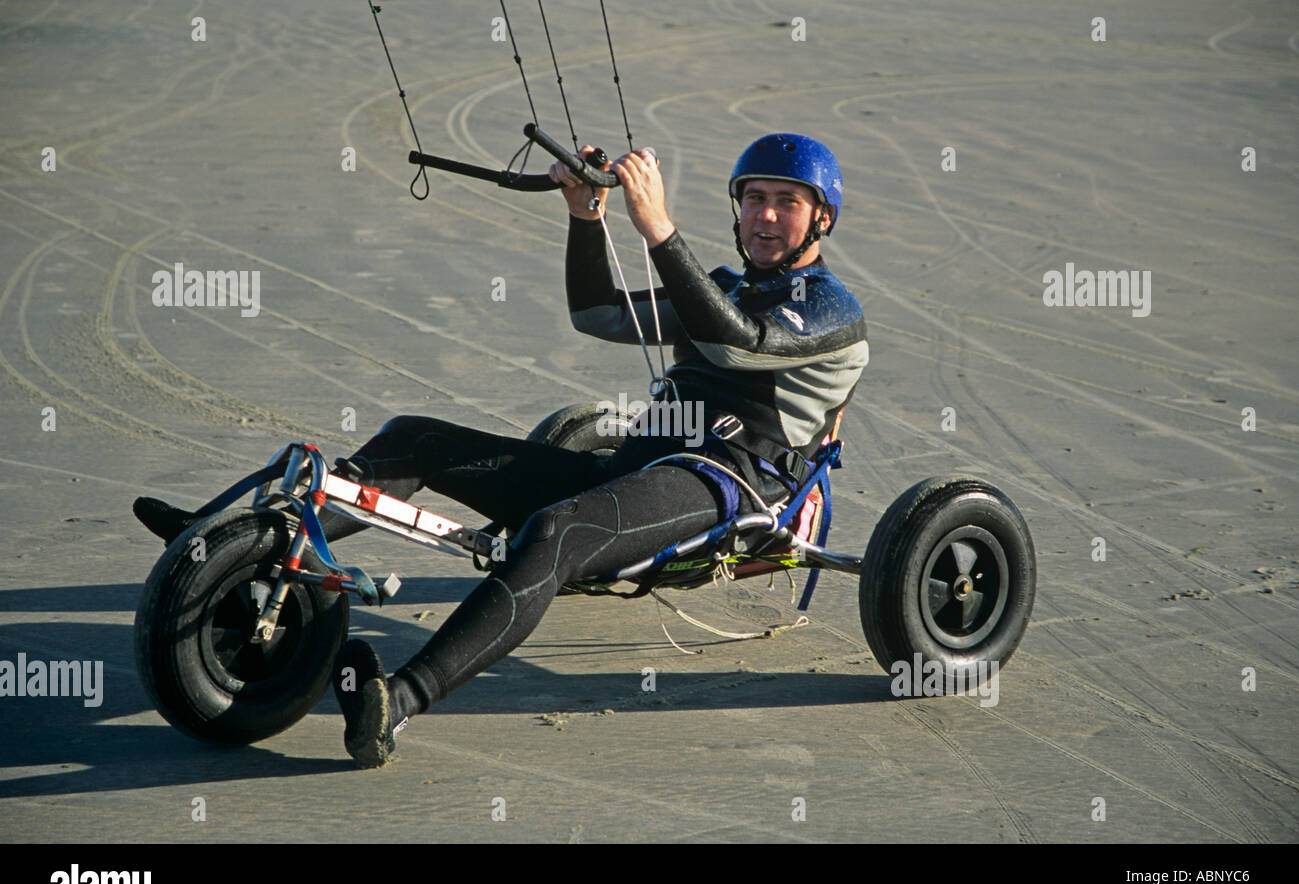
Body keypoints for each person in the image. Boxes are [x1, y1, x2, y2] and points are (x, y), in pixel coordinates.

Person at [133, 133, 869, 768]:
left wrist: (657, 230)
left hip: (727, 491)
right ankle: (247, 541)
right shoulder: (724, 284)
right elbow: (600, 314)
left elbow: (740, 345)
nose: (766, 216)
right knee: (415, 437)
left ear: (822, 218)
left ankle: (399, 702)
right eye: (754, 198)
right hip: (637, 467)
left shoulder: (832, 308)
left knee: (556, 533)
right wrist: (587, 219)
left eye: (787, 202)